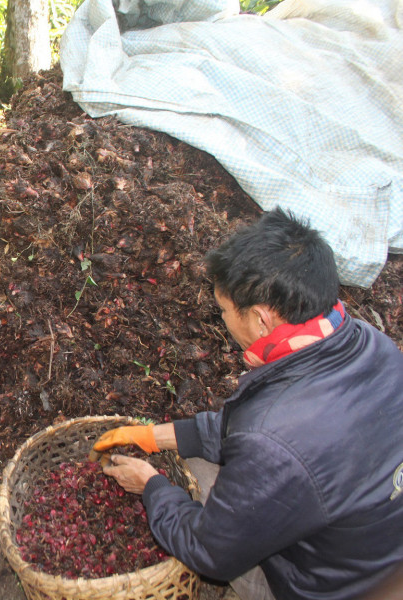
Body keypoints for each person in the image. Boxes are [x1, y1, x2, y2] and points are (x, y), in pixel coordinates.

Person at [94, 209, 403, 600]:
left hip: (332, 588)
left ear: (260, 320)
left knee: (193, 483)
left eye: (223, 310)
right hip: (374, 545)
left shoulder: (274, 439)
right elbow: (265, 433)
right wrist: (154, 437)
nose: (222, 319)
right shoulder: (368, 342)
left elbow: (211, 552)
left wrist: (152, 486)